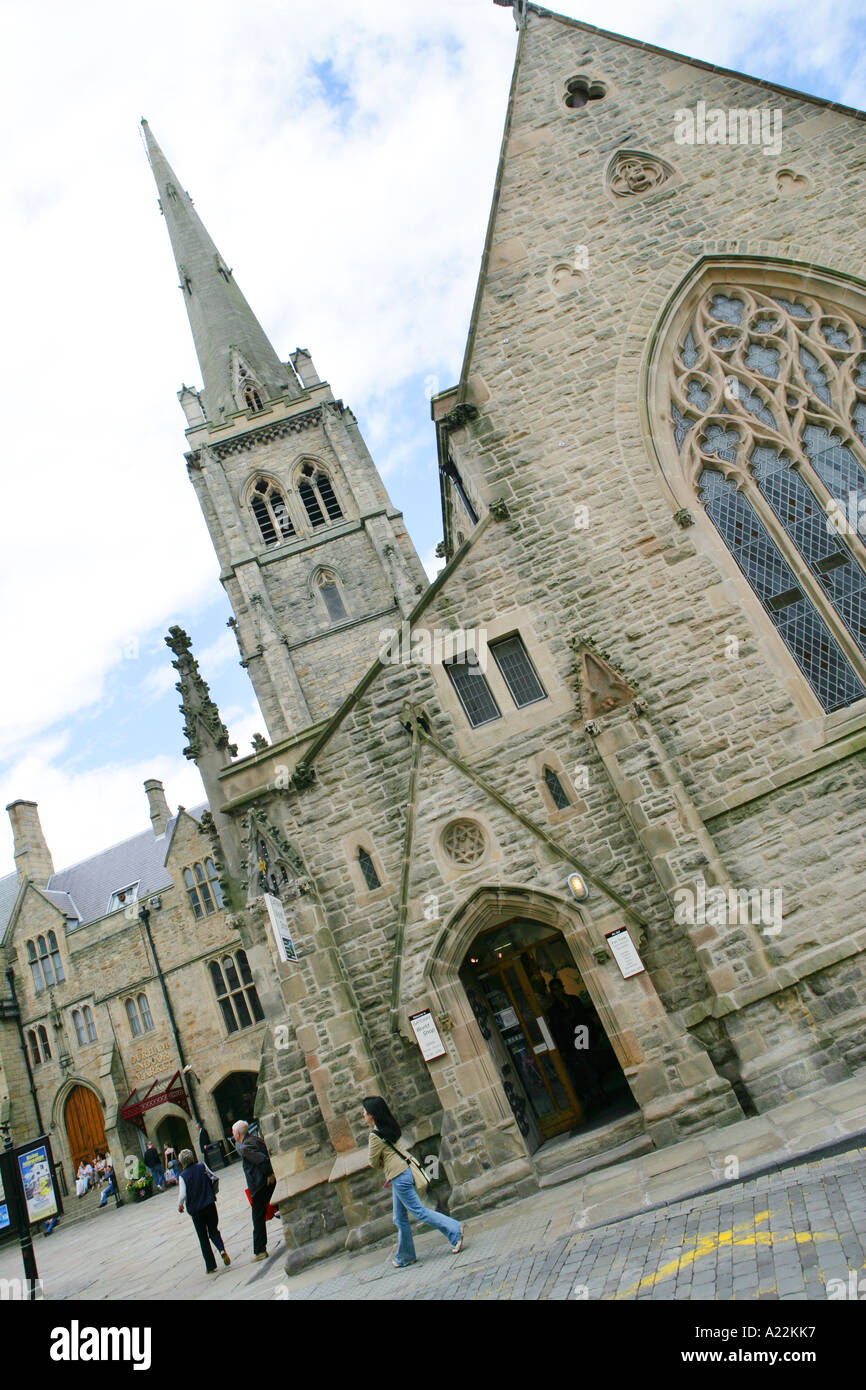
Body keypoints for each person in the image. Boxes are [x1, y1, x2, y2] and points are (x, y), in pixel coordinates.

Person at [363, 1095, 464, 1269]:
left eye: (364, 1112)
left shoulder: (374, 1135)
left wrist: (381, 1160)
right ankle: (406, 1256)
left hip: (398, 1176)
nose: (363, 1115)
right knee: (399, 1217)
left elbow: (372, 1162)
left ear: (372, 1114)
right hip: (403, 1172)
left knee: (419, 1212)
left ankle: (455, 1230)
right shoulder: (389, 1127)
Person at [177, 1148, 230, 1274]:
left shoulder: (183, 1176)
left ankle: (210, 1265)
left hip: (196, 1210)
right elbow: (213, 1177)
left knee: (203, 1237)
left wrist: (180, 1205)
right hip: (209, 1204)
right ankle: (221, 1249)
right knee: (213, 1230)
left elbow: (182, 1194)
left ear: (181, 1162)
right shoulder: (202, 1166)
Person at [231, 1120, 275, 1262]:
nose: (233, 1135)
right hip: (265, 1183)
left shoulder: (245, 1147)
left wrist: (269, 1173)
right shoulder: (255, 1139)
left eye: (233, 1133)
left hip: (259, 1185)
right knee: (278, 1205)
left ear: (237, 1134)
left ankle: (260, 1251)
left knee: (258, 1218)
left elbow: (261, 1159)